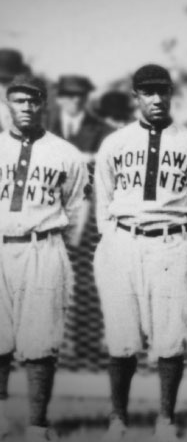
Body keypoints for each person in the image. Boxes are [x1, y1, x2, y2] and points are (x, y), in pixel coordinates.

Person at [93, 64, 187, 441]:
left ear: (172, 93)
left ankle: (165, 419)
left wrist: (179, 237)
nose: (157, 99)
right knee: (121, 336)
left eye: (163, 91)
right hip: (123, 242)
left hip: (173, 242)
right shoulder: (114, 143)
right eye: (148, 92)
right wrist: (119, 236)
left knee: (172, 336)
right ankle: (118, 419)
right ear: (136, 97)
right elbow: (103, 203)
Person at [0, 75, 88, 441]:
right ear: (8, 104)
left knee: (41, 340)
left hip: (44, 246)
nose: (26, 108)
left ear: (44, 105)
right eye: (19, 101)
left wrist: (61, 246)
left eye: (33, 101)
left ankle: (37, 425)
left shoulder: (65, 152)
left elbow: (77, 206)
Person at [49, 75, 111, 156]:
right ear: (59, 99)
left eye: (81, 95)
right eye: (71, 95)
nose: (77, 100)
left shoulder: (102, 129)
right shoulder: (44, 124)